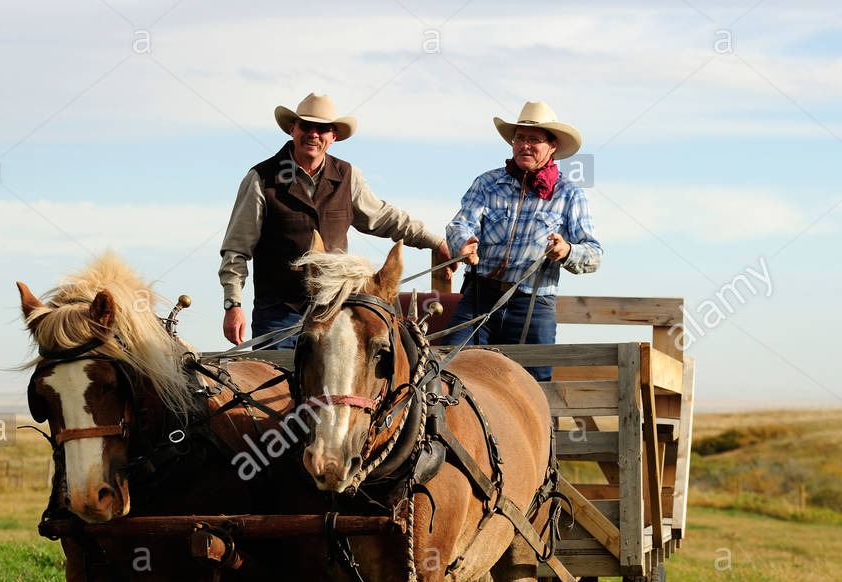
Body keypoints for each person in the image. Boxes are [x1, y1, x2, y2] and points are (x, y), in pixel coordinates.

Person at [219, 93, 450, 347]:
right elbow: (236, 251)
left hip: (335, 311)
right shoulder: (262, 178)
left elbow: (386, 218)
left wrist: (436, 242)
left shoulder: (347, 176)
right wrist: (233, 305)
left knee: (340, 386)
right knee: (276, 384)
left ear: (333, 136)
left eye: (322, 129)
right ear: (292, 129)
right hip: (279, 314)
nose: (314, 134)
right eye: (306, 126)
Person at [442, 101, 601, 381]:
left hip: (533, 305)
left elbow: (593, 254)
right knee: (448, 370)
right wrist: (463, 243)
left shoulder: (569, 195)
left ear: (552, 146)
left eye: (534, 140)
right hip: (480, 297)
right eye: (519, 138)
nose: (524, 145)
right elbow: (460, 223)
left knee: (536, 387)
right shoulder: (487, 183)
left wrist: (566, 251)